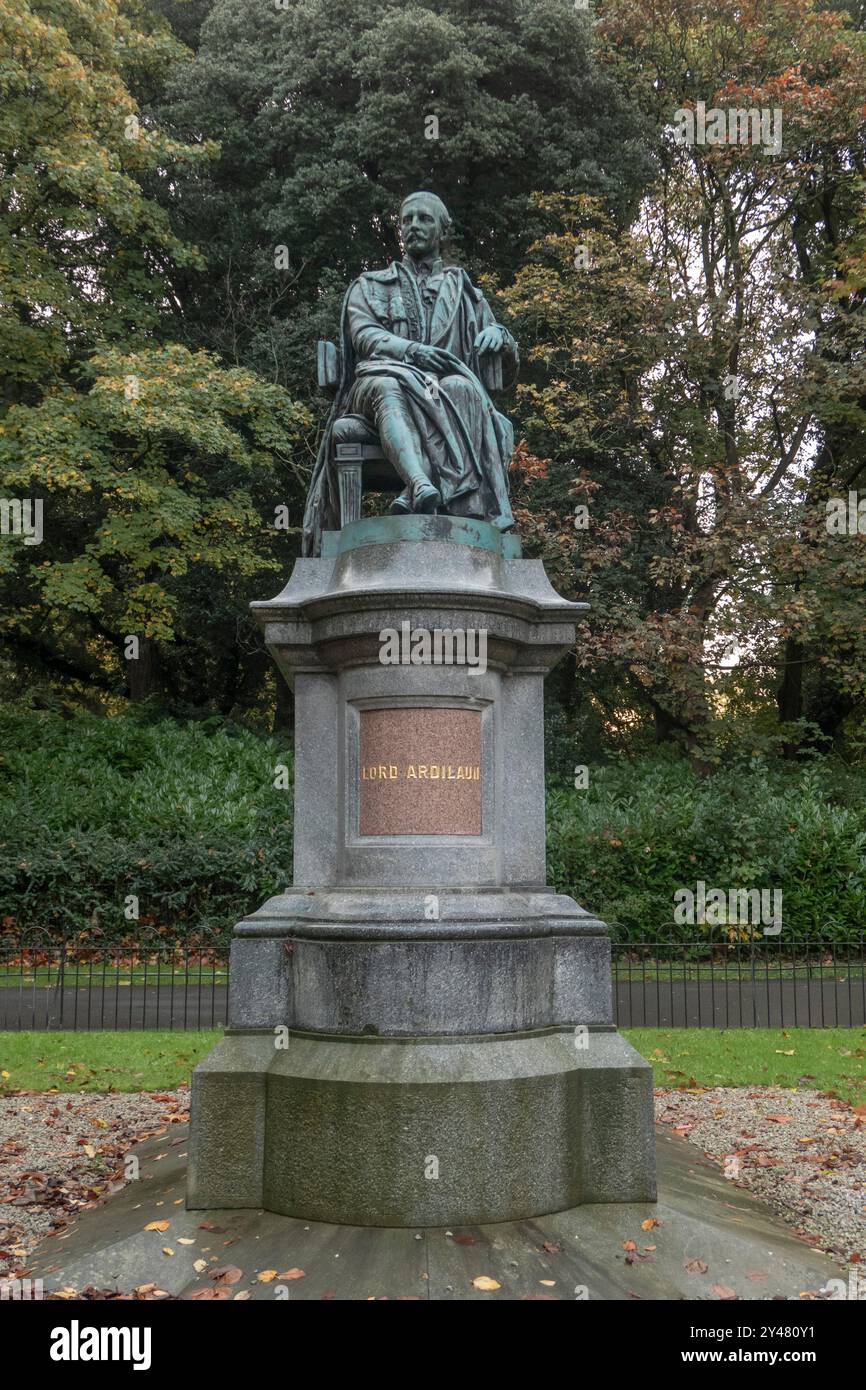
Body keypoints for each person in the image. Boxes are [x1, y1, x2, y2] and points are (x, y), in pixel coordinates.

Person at [301, 191, 519, 557]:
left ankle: (422, 487)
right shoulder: (369, 285)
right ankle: (419, 483)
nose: (413, 226)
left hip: (442, 396)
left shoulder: (466, 294)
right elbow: (365, 335)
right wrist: (413, 353)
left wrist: (503, 338)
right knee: (390, 385)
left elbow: (502, 368)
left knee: (461, 387)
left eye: (424, 219)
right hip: (375, 385)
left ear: (442, 232)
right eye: (407, 220)